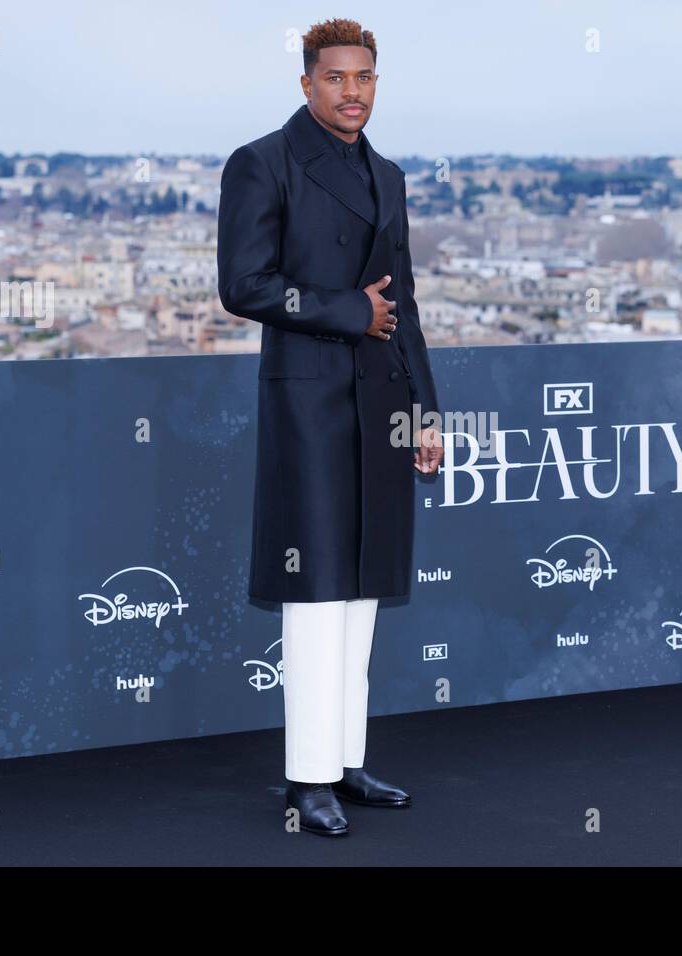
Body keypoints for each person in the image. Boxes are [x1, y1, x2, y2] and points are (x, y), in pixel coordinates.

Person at [216, 17, 444, 837]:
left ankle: (344, 763)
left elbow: (406, 305)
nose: (354, 92)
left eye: (367, 78)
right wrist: (351, 311)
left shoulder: (388, 174)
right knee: (315, 598)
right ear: (307, 83)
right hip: (309, 404)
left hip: (381, 402)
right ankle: (305, 778)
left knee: (363, 596)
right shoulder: (260, 163)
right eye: (338, 78)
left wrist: (424, 411)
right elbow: (242, 285)